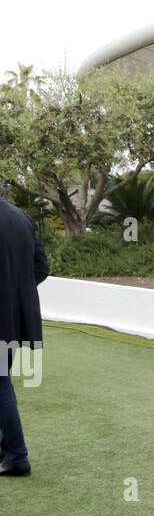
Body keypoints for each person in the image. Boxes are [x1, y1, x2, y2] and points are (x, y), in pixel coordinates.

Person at [0, 197, 49, 476]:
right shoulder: (22, 218)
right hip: (13, 319)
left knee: (0, 382)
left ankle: (17, 456)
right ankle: (8, 450)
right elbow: (42, 268)